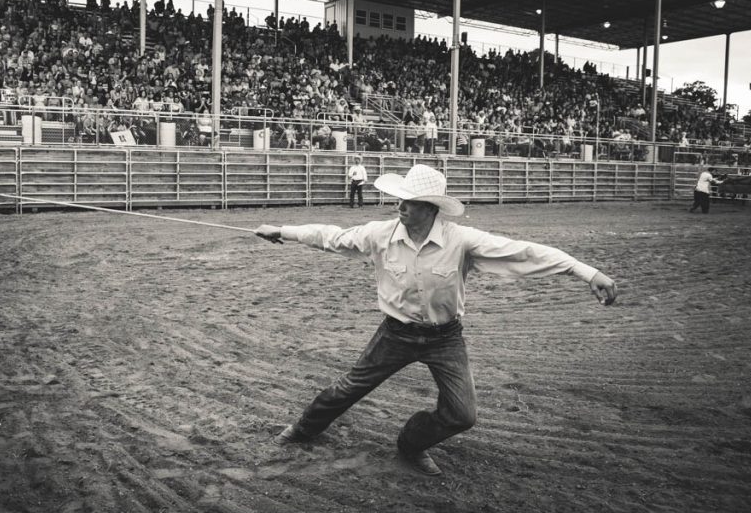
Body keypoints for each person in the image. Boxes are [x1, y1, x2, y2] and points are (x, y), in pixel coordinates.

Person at [255, 164, 617, 476]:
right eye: (401, 199)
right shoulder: (381, 234)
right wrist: (282, 231)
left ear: (430, 209)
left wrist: (586, 272)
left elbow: (523, 252)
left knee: (462, 414)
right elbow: (331, 237)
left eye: (410, 202)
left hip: (445, 338)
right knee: (350, 386)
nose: (401, 207)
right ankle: (303, 429)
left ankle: (411, 444)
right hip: (396, 333)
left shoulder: (461, 241)